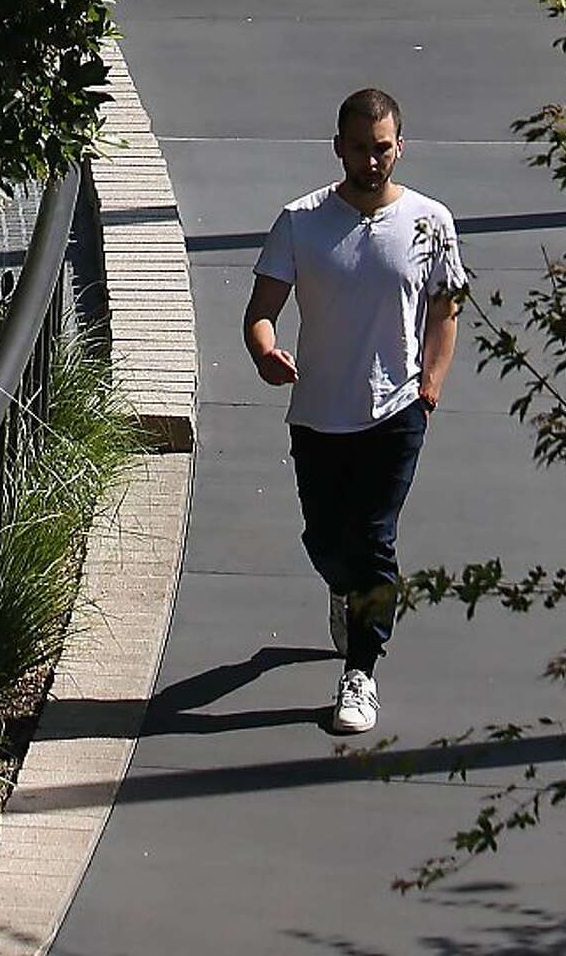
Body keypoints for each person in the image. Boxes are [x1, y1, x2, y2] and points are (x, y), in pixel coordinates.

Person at [244, 85, 467, 741]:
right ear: (338, 146)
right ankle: (343, 593)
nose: (372, 160)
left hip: (395, 411)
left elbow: (446, 305)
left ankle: (361, 669)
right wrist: (265, 352)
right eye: (360, 148)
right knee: (326, 538)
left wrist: (430, 381)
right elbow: (262, 309)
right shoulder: (302, 219)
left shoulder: (431, 220)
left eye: (383, 147)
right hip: (317, 411)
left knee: (374, 538)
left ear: (400, 145)